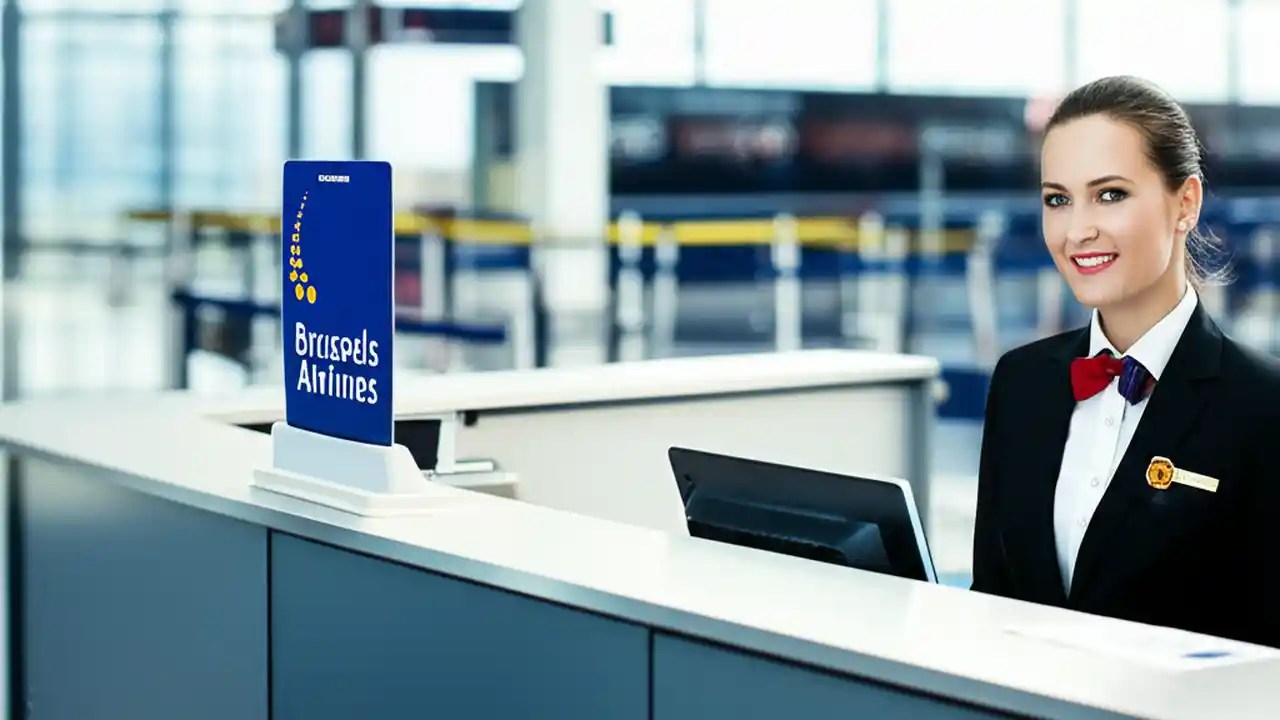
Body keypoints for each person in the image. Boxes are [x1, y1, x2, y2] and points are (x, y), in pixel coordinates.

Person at [971, 75, 1280, 648]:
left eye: (1110, 194)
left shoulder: (1263, 405)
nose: (1077, 230)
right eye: (1057, 200)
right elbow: (991, 600)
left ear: (1185, 203)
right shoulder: (1021, 382)